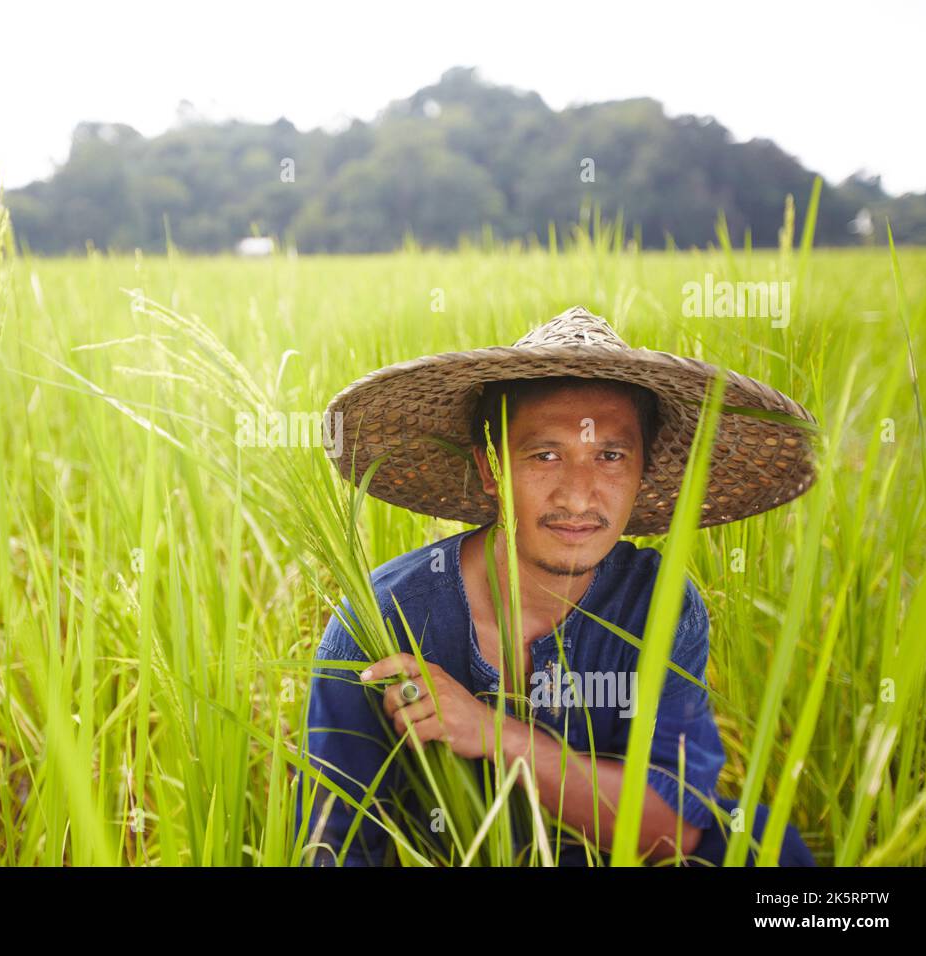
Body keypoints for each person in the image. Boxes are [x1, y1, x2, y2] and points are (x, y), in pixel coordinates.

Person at [293, 305, 818, 867]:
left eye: (610, 456)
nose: (578, 496)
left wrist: (496, 734)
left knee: (762, 844)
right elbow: (335, 845)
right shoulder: (379, 620)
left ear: (641, 473)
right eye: (545, 455)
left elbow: (674, 826)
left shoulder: (659, 605)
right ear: (492, 468)